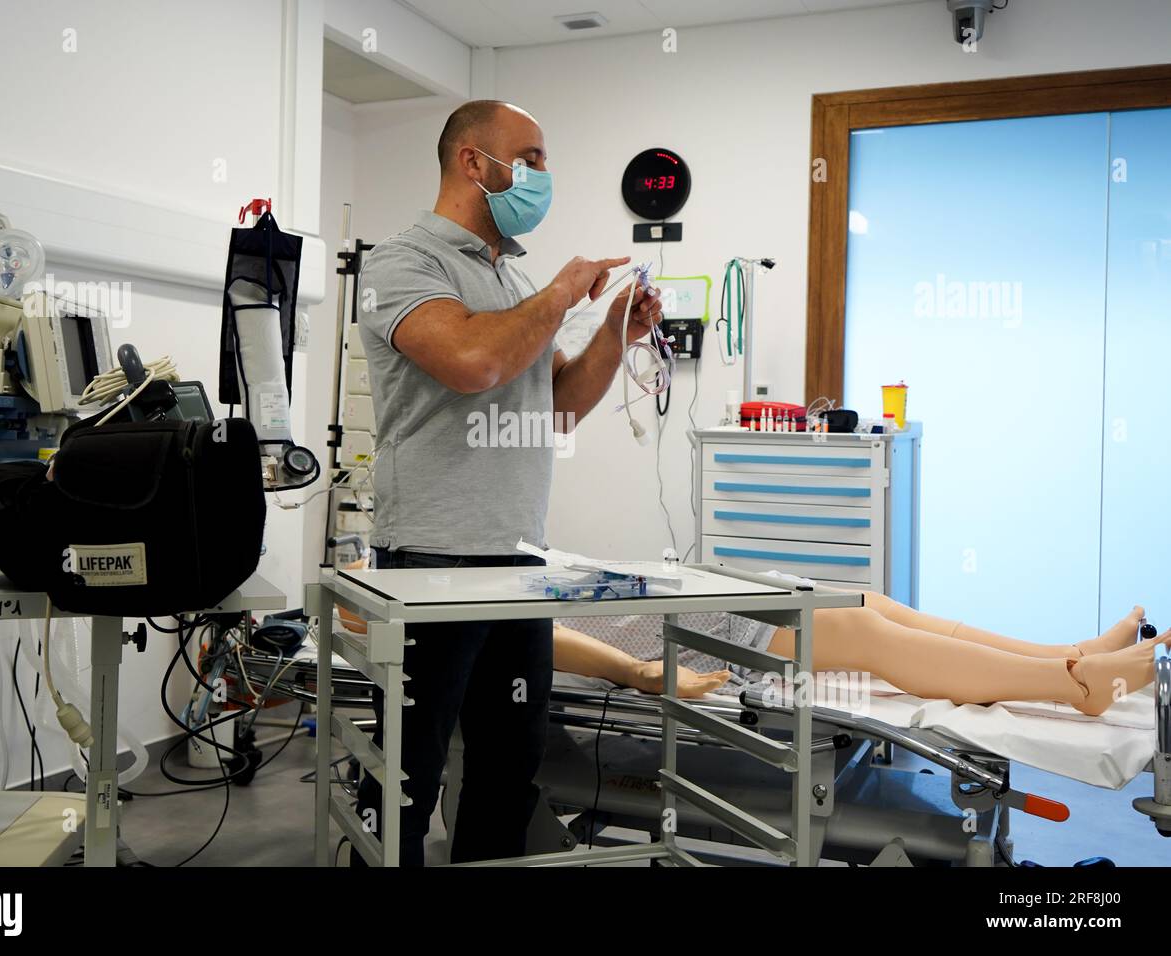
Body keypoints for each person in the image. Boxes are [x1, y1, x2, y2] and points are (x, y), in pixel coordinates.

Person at [353, 100, 663, 865]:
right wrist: (560, 294)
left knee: (505, 774)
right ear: (472, 162)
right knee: (405, 780)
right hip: (430, 563)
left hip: (518, 565)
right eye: (532, 158)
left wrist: (616, 334)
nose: (543, 176)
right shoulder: (401, 263)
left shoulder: (512, 279)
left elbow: (554, 409)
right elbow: (471, 363)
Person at [549, 595, 1168, 717]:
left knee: (874, 604)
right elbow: (537, 638)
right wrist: (634, 671)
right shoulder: (473, 596)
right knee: (866, 634)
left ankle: (1068, 654)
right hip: (706, 638)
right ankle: (1073, 686)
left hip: (702, 601)